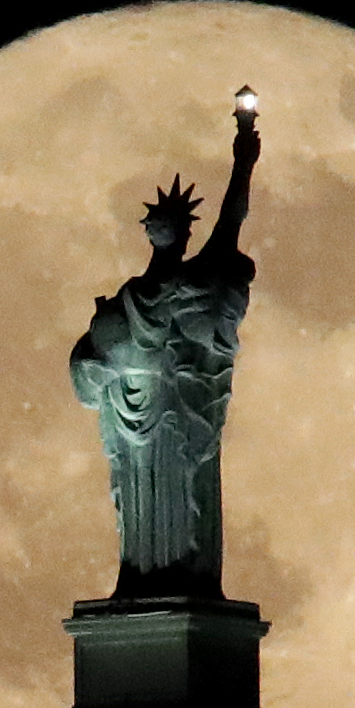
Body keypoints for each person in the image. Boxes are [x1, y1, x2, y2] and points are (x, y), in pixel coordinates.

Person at [69, 98, 260, 594]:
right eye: (155, 224)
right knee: (137, 507)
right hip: (136, 424)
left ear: (179, 233)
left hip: (176, 412)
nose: (160, 230)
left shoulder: (195, 281)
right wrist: (100, 365)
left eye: (167, 225)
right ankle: (139, 578)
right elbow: (90, 366)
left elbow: (231, 221)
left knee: (181, 498)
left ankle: (182, 577)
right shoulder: (131, 294)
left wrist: (243, 159)